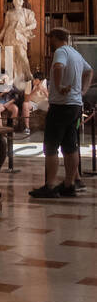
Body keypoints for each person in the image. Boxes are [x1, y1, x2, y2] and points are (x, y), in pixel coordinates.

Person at [30, 28, 92, 199]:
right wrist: (83, 91)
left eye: (50, 38)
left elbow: (58, 67)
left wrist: (58, 87)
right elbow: (89, 71)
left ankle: (50, 186)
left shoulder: (61, 51)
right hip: (75, 106)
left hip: (60, 105)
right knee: (71, 146)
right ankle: (69, 184)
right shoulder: (76, 53)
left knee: (50, 146)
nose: (49, 42)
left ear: (56, 38)